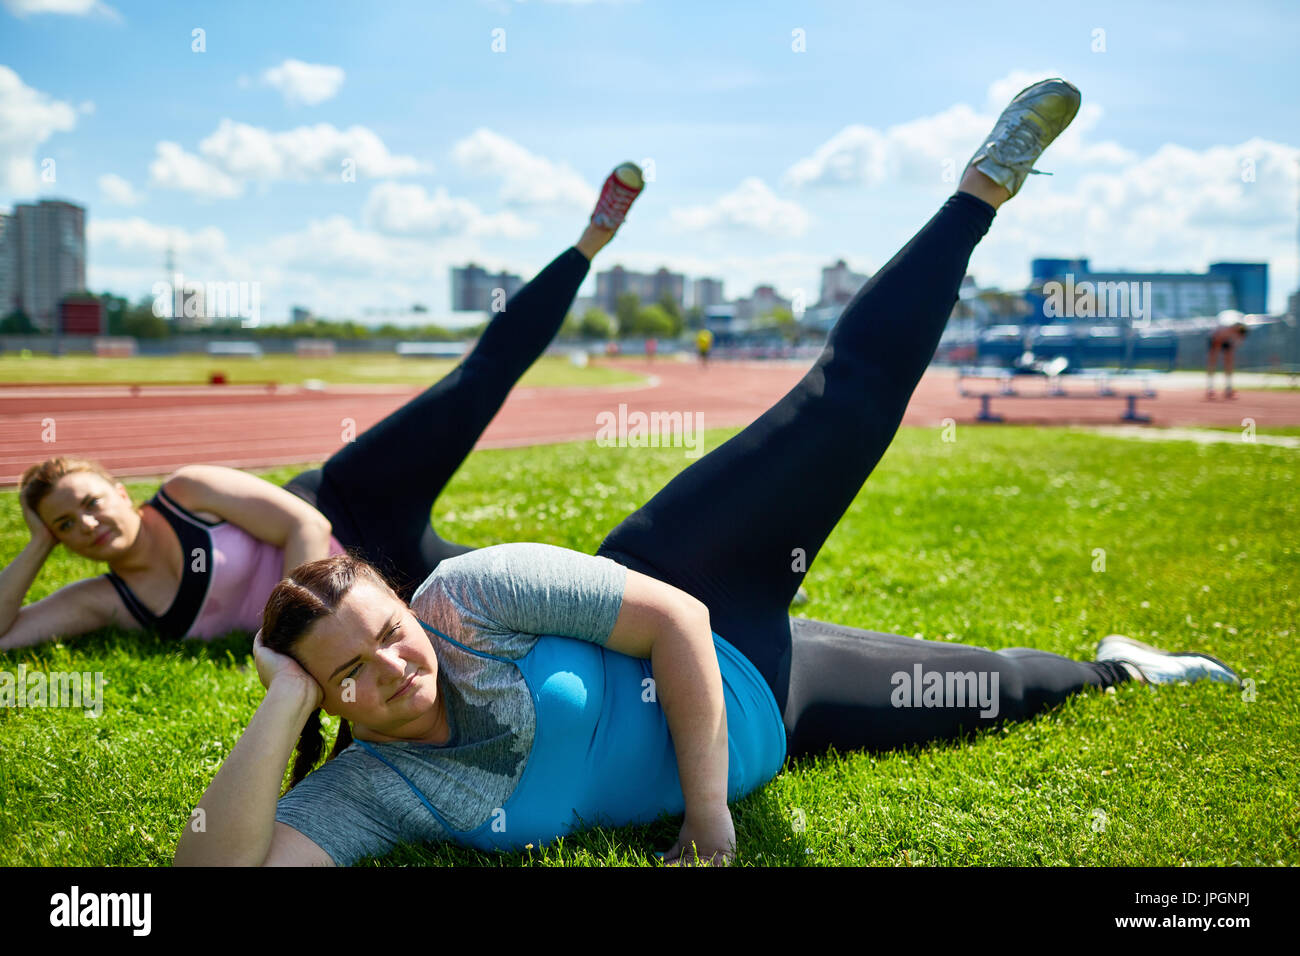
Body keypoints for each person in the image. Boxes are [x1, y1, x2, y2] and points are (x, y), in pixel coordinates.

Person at [175, 80, 1240, 869]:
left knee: (845, 406)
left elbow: (678, 623)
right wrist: (281, 697)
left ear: (410, 607)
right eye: (350, 671)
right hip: (772, 703)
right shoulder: (381, 783)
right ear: (325, 695)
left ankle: (979, 187)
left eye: (385, 631)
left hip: (693, 583)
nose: (394, 669)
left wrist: (707, 821)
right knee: (1001, 690)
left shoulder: (467, 597)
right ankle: (1125, 667)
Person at [0, 163, 646, 651]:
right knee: (534, 591)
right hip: (381, 577)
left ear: (116, 486)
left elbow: (300, 531)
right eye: (64, 526)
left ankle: (592, 237)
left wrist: (286, 636)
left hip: (353, 497)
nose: (86, 524)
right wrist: (32, 547)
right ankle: (655, 589)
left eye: (89, 501)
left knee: (476, 382)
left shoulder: (184, 490)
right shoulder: (107, 600)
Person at [1206, 317, 1249, 399]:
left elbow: (1235, 344)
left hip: (1226, 340)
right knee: (1213, 361)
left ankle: (1228, 388)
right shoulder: (1224, 328)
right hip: (1215, 338)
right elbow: (1217, 341)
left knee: (1229, 362)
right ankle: (1210, 388)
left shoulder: (1239, 331)